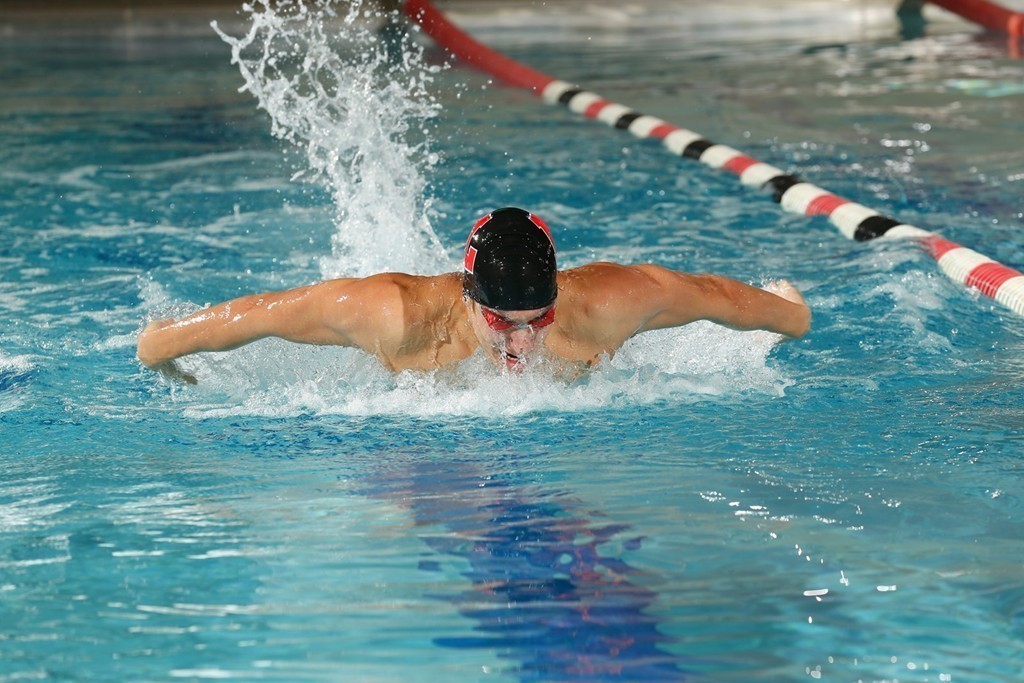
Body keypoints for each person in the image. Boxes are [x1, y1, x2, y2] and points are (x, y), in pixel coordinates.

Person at [137, 207, 810, 379]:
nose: (522, 341)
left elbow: (717, 297)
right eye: (502, 320)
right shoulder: (394, 316)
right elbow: (263, 314)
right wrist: (163, 347)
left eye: (536, 318)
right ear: (468, 294)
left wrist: (791, 314)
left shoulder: (610, 303)